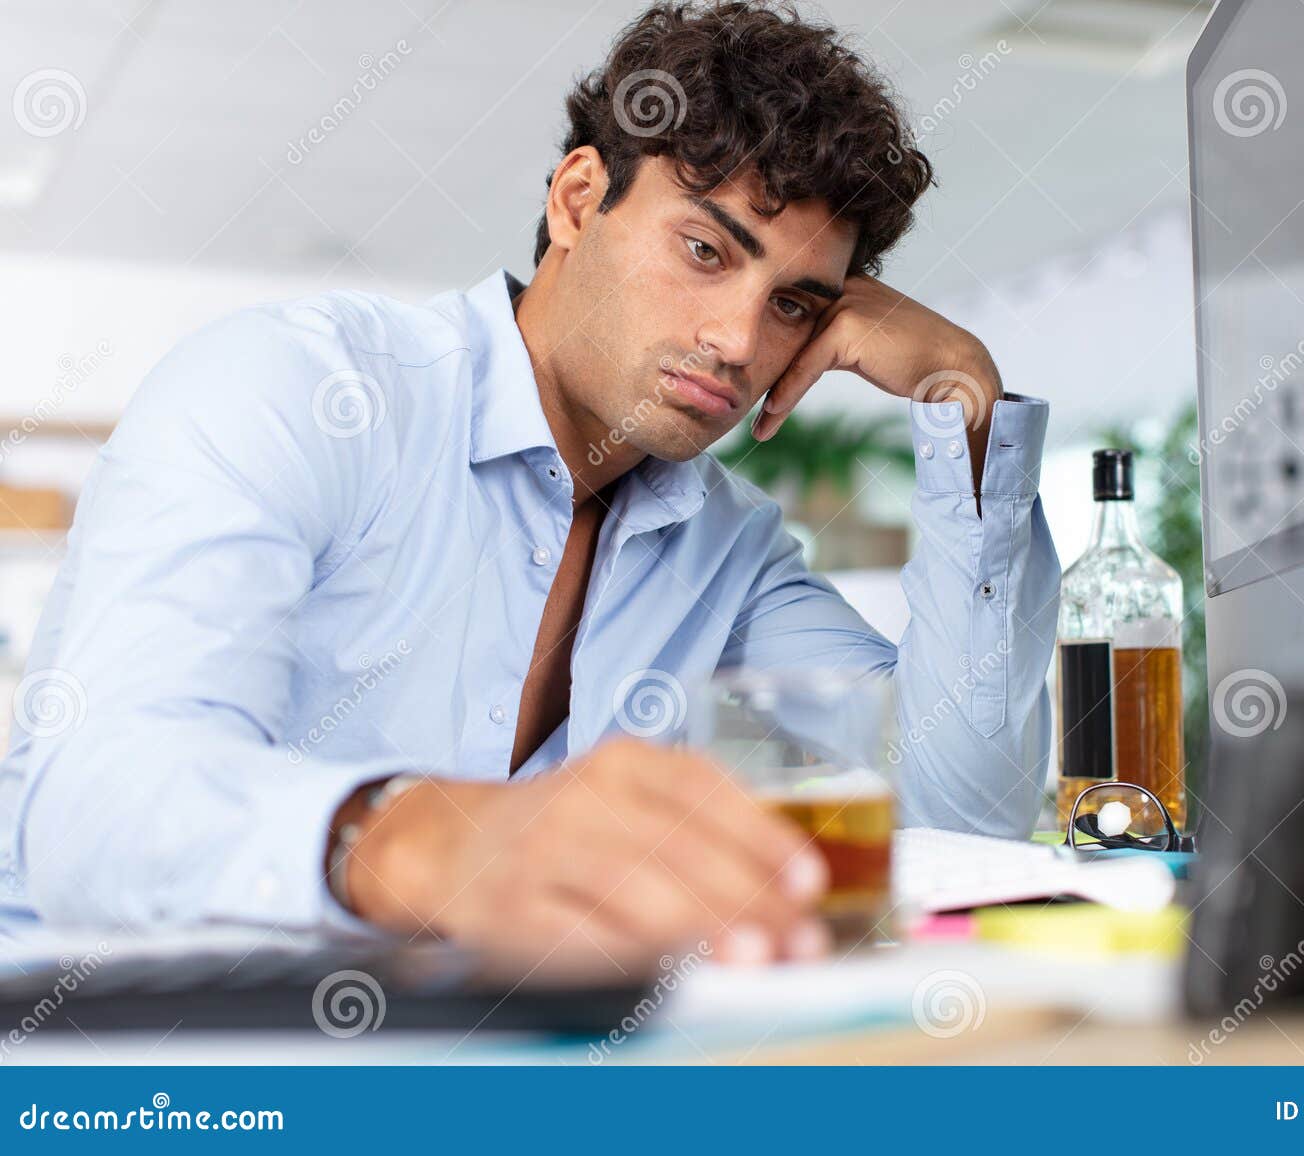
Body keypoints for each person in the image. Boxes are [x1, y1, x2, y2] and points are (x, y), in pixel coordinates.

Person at [0, 1, 1059, 970]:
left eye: (794, 305)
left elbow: (959, 813)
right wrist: (410, 837)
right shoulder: (295, 388)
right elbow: (95, 801)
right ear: (577, 198)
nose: (736, 340)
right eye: (704, 249)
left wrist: (963, 408)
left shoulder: (726, 554)